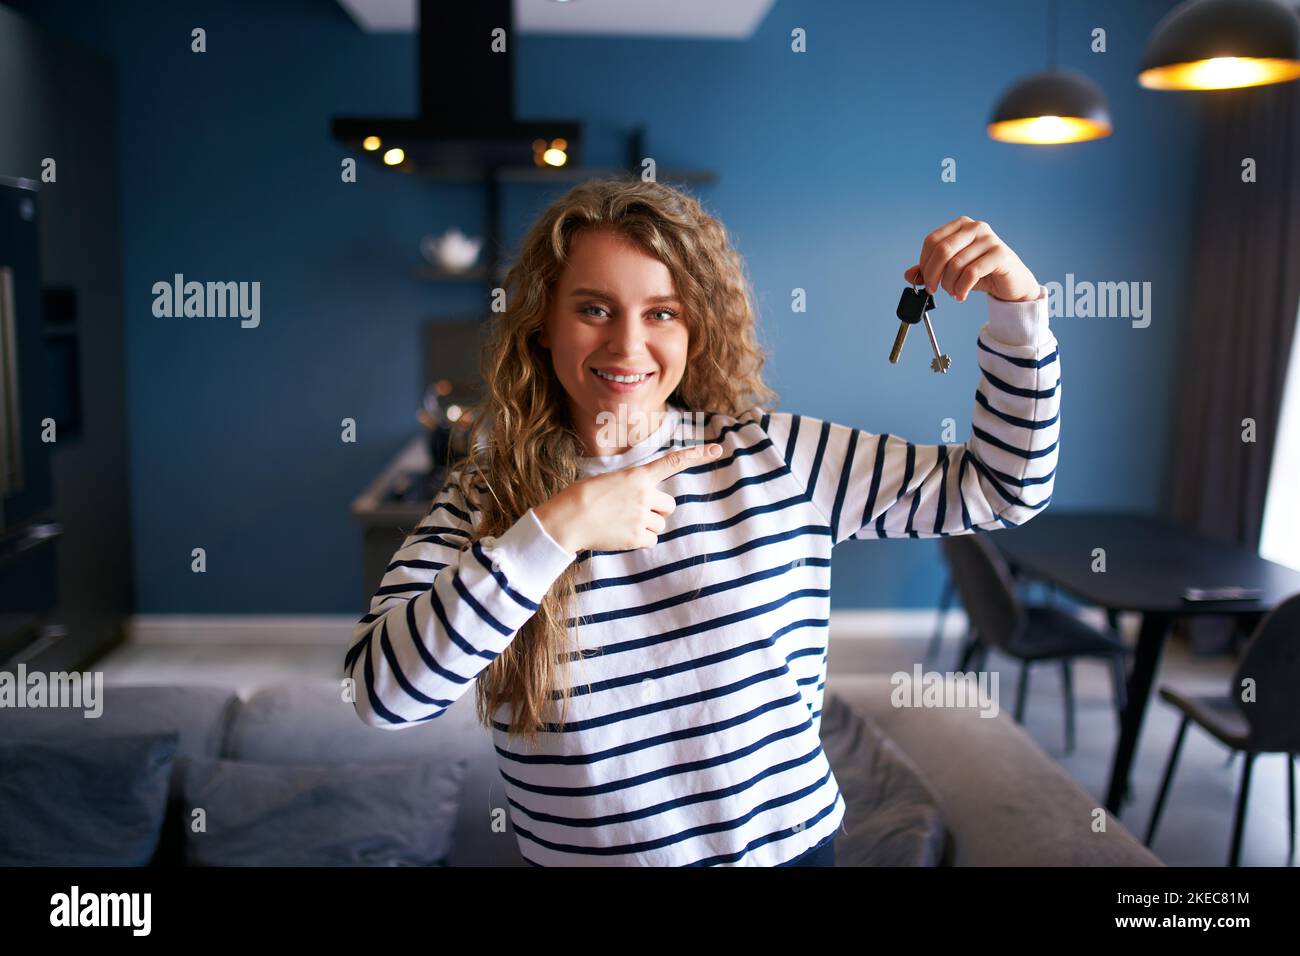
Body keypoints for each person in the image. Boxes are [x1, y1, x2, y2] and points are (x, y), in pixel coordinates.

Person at [343, 177, 1059, 866]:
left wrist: (1018, 313)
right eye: (594, 309)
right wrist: (558, 529)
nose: (627, 347)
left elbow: (1002, 489)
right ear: (540, 325)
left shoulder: (777, 456)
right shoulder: (484, 500)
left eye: (661, 312)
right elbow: (380, 695)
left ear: (695, 327)